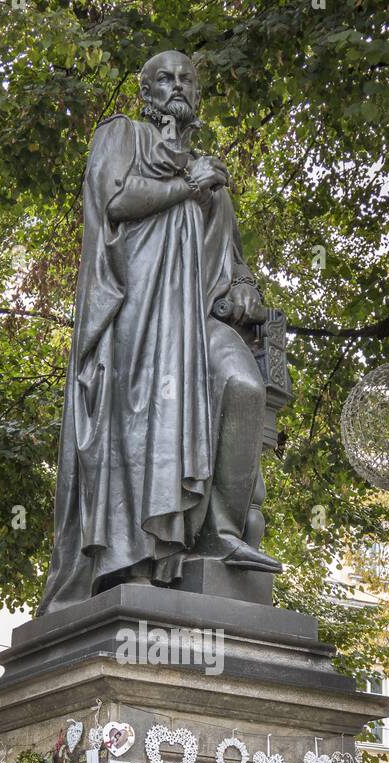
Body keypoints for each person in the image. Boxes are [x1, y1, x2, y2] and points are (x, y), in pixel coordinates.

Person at [38, 50, 279, 615]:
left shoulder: (210, 172)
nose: (176, 86)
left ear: (197, 94)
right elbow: (115, 201)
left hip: (201, 320)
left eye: (186, 79)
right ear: (145, 92)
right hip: (139, 317)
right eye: (164, 79)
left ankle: (222, 535)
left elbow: (232, 259)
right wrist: (187, 186)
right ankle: (136, 560)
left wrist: (246, 288)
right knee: (145, 420)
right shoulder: (122, 135)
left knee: (243, 386)